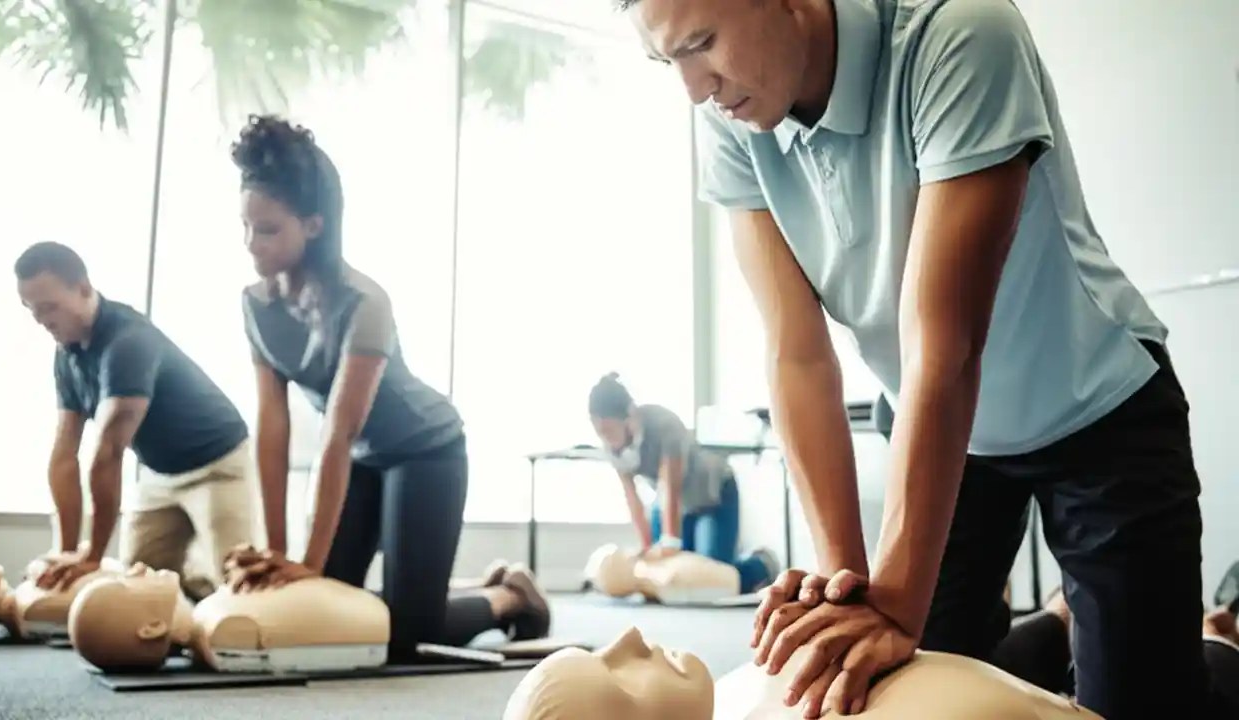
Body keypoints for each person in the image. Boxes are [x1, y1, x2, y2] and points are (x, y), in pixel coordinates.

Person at [614, 0, 1229, 718]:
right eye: (668, 61)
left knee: (1150, 703)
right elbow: (797, 354)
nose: (694, 89)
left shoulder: (962, 33)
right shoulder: (729, 114)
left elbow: (944, 341)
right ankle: (1061, 623)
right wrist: (844, 587)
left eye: (702, 43)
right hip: (948, 437)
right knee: (892, 692)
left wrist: (897, 604)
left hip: (1095, 412)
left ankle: (1225, 635)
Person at [230, 114, 549, 659]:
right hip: (362, 460)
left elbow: (336, 432)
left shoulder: (364, 302)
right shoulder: (255, 305)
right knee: (333, 612)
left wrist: (306, 564)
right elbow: (273, 432)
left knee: (407, 634)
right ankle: (453, 586)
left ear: (313, 225)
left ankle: (510, 597)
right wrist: (278, 553)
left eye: (267, 230)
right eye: (245, 226)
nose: (251, 244)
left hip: (425, 451)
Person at [15, 243, 258, 601]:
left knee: (240, 582)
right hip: (158, 475)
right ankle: (196, 582)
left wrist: (93, 557)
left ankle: (212, 580)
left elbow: (108, 452)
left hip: (217, 464)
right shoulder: (66, 354)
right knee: (141, 586)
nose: (42, 320)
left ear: (83, 289)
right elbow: (65, 454)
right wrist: (67, 552)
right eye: (31, 310)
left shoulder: (128, 341)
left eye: (49, 307)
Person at [588, 373, 778, 594]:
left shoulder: (663, 424)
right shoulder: (610, 447)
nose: (607, 438)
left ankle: (762, 565)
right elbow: (633, 500)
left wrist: (669, 542)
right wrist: (648, 548)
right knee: (669, 574)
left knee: (712, 576)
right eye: (601, 432)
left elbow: (671, 486)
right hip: (675, 503)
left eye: (610, 430)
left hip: (713, 493)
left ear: (629, 416)